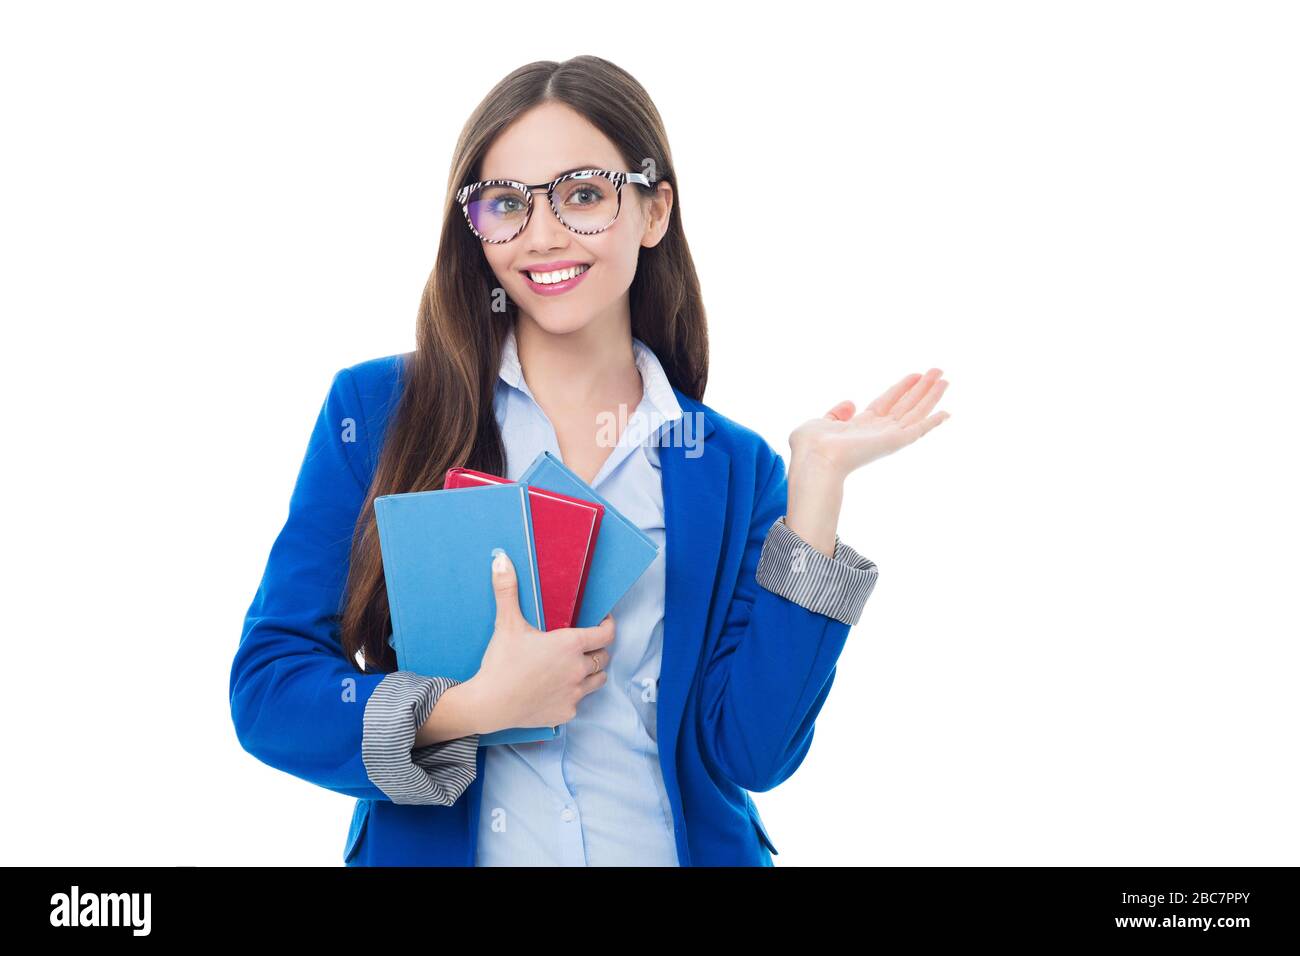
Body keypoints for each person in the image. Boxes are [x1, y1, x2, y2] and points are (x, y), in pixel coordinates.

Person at [229, 55, 950, 867]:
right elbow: (270, 690)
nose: (542, 236)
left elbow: (753, 752)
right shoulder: (380, 412)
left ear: (653, 210)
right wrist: (466, 707)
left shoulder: (732, 466)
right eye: (506, 204)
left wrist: (816, 492)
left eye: (582, 195)